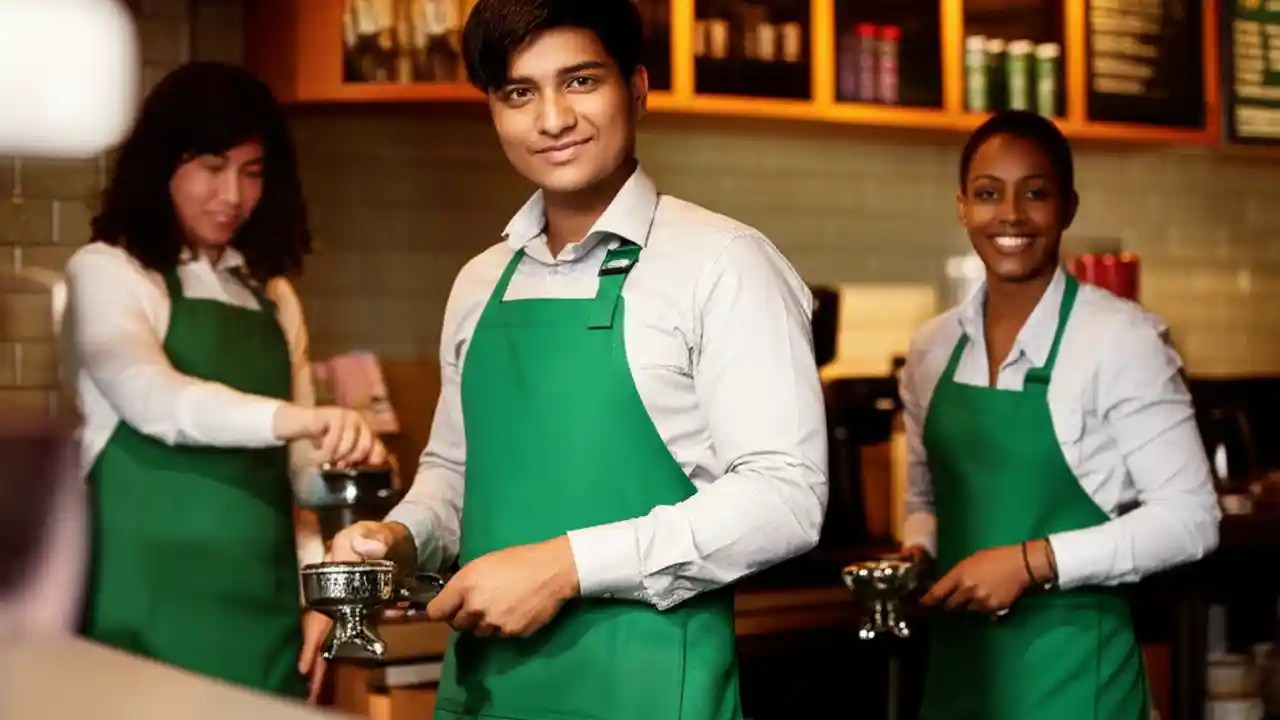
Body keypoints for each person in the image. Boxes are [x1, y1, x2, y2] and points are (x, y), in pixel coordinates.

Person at [300, 0, 829, 716]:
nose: (551, 119)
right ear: (493, 109)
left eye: (580, 81)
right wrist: (400, 540)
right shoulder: (481, 282)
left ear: (636, 87)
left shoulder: (723, 264)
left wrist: (566, 567)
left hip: (646, 694)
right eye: (519, 92)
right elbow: (454, 474)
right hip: (486, 691)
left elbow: (787, 498)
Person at [64, 61, 387, 698]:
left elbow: (297, 475)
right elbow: (154, 399)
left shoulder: (271, 295)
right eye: (212, 167)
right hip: (139, 621)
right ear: (162, 168)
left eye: (253, 172)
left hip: (264, 626)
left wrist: (321, 575)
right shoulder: (108, 272)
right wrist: (304, 418)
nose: (233, 196)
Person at [899, 110, 1220, 719]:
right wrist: (915, 552)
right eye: (990, 194)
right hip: (959, 680)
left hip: (1076, 681)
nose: (1012, 214)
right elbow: (925, 495)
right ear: (963, 206)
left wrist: (1030, 562)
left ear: (1068, 207)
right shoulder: (931, 348)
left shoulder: (1119, 339)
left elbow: (1192, 521)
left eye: (1035, 193)